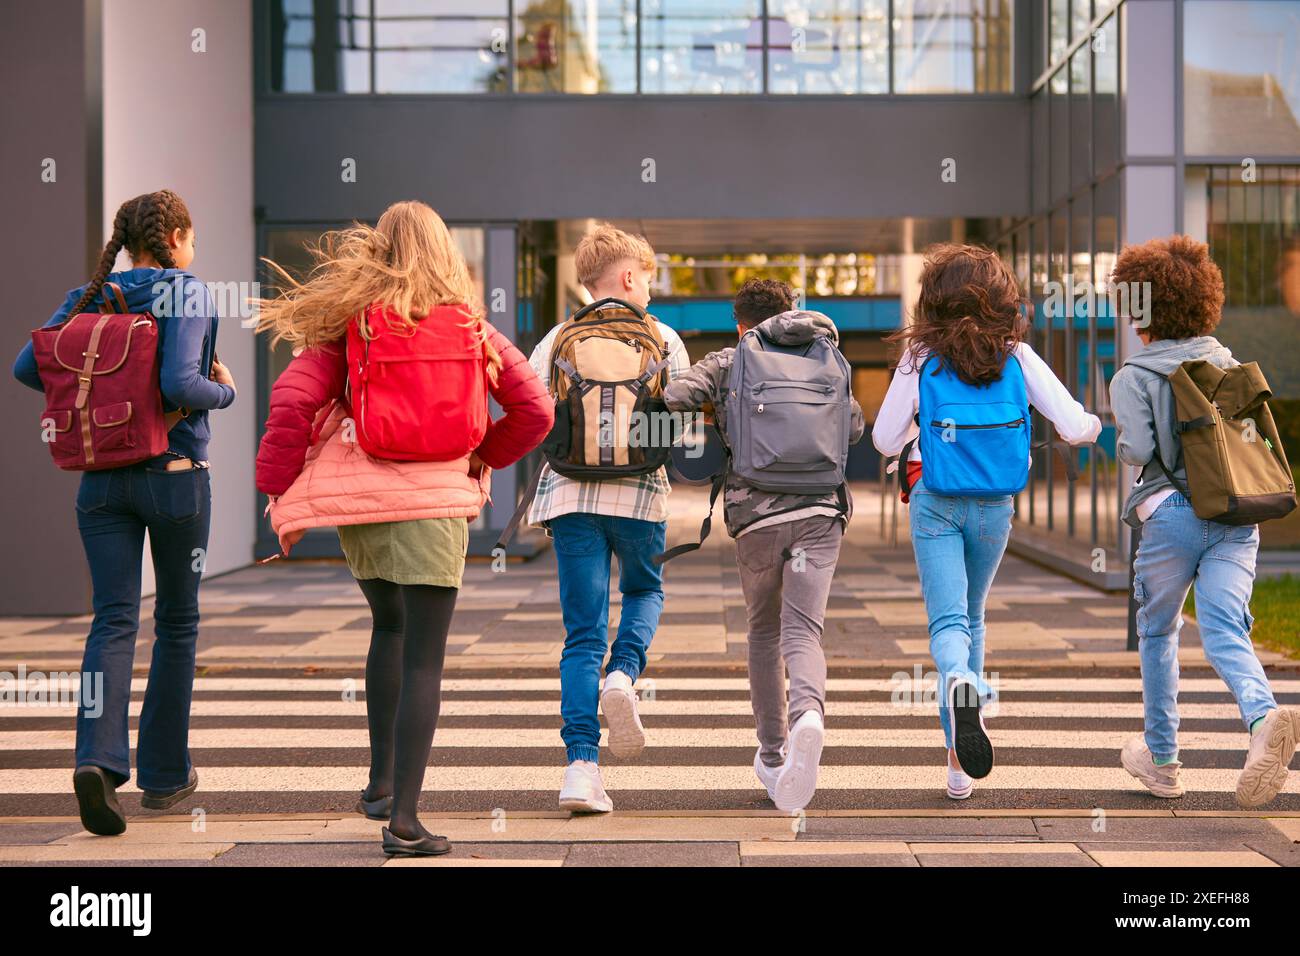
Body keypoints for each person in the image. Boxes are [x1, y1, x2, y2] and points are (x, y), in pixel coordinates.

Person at [254, 201, 552, 856]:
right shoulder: (474, 328)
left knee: (387, 628)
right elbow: (535, 409)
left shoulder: (352, 324)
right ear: (445, 251)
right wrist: (485, 454)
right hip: (435, 509)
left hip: (367, 509)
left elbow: (293, 400)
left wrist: (276, 484)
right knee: (425, 657)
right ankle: (406, 824)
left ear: (378, 250)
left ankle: (380, 785)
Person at [12, 189, 236, 835]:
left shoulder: (91, 293)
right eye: (191, 236)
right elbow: (179, 386)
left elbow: (30, 366)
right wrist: (224, 389)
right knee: (176, 621)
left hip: (101, 487)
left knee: (112, 621)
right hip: (174, 482)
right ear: (175, 237)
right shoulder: (186, 292)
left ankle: (97, 762)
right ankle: (165, 777)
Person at [873, 244, 1100, 800]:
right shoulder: (1016, 355)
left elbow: (882, 438)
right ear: (1003, 299)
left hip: (935, 498)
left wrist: (918, 435)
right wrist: (1094, 425)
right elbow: (1073, 426)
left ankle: (957, 685)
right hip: (996, 503)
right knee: (973, 613)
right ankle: (957, 764)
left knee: (947, 619)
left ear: (933, 299)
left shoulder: (919, 357)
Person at [1109, 234, 1300, 807]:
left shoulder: (1133, 377)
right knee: (1224, 629)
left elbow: (1138, 452)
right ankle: (1263, 719)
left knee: (1158, 631)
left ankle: (1163, 762)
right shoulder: (1227, 362)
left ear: (1139, 310)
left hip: (1170, 515)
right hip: (1237, 511)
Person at [663, 278, 864, 811]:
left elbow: (674, 396)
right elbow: (854, 429)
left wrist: (722, 413)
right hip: (821, 513)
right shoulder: (827, 354)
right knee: (804, 631)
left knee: (762, 633)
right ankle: (810, 715)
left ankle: (773, 755)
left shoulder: (731, 359)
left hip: (757, 517)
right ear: (791, 312)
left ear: (739, 321)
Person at [526, 223, 687, 813]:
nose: (650, 289)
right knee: (645, 590)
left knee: (581, 633)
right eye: (647, 278)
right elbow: (678, 423)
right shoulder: (662, 337)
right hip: (640, 497)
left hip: (569, 500)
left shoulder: (557, 338)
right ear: (626, 276)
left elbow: (534, 412)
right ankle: (623, 676)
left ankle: (580, 768)